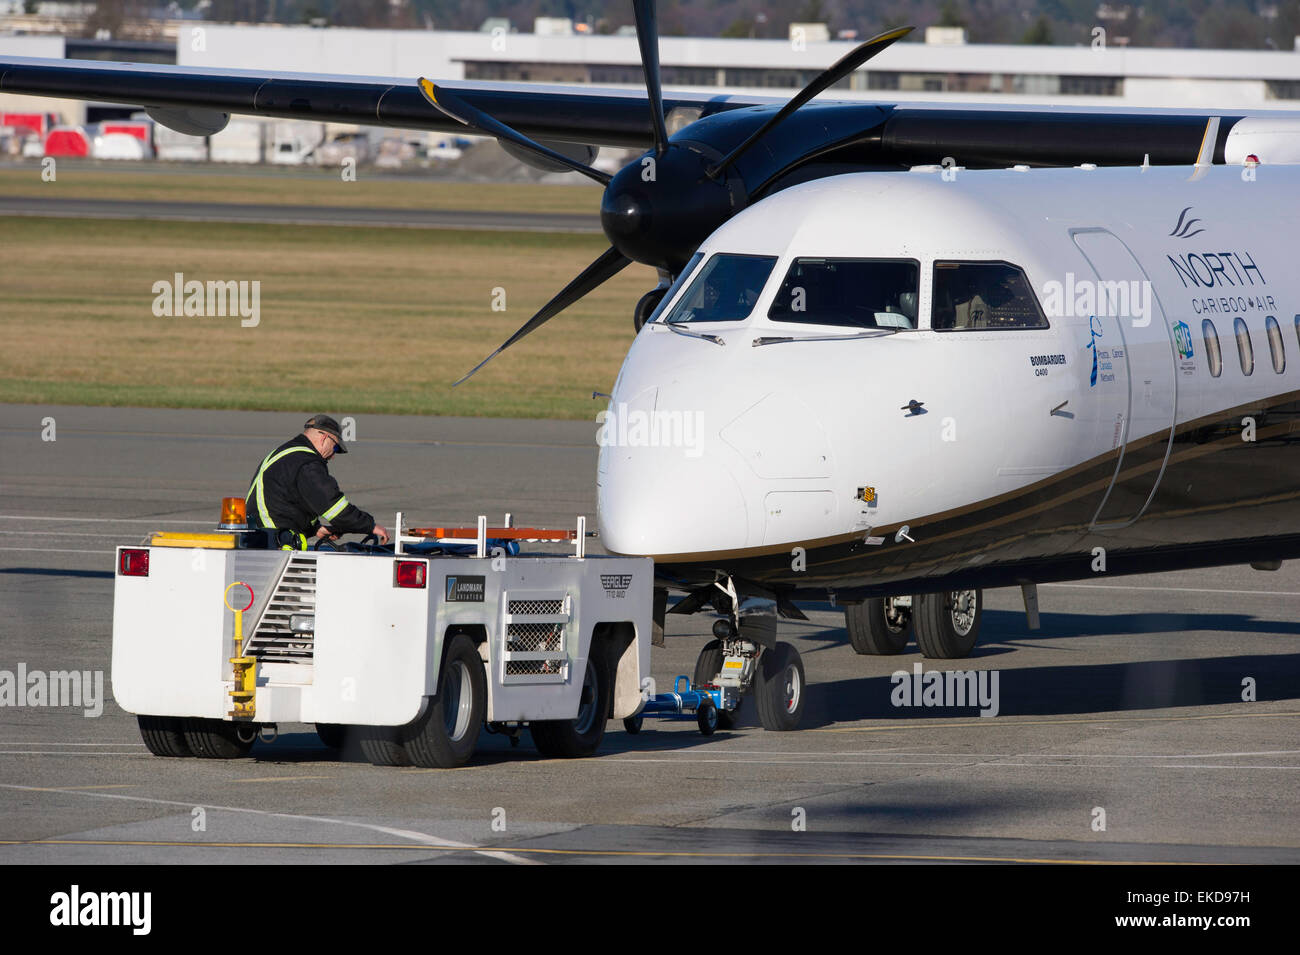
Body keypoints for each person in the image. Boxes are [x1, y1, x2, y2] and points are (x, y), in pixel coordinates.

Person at [245, 414, 389, 549]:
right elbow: (334, 507)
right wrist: (370, 526)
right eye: (336, 447)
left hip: (262, 536)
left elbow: (286, 500)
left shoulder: (288, 453)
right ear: (324, 438)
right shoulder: (306, 462)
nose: (333, 456)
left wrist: (315, 529)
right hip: (273, 542)